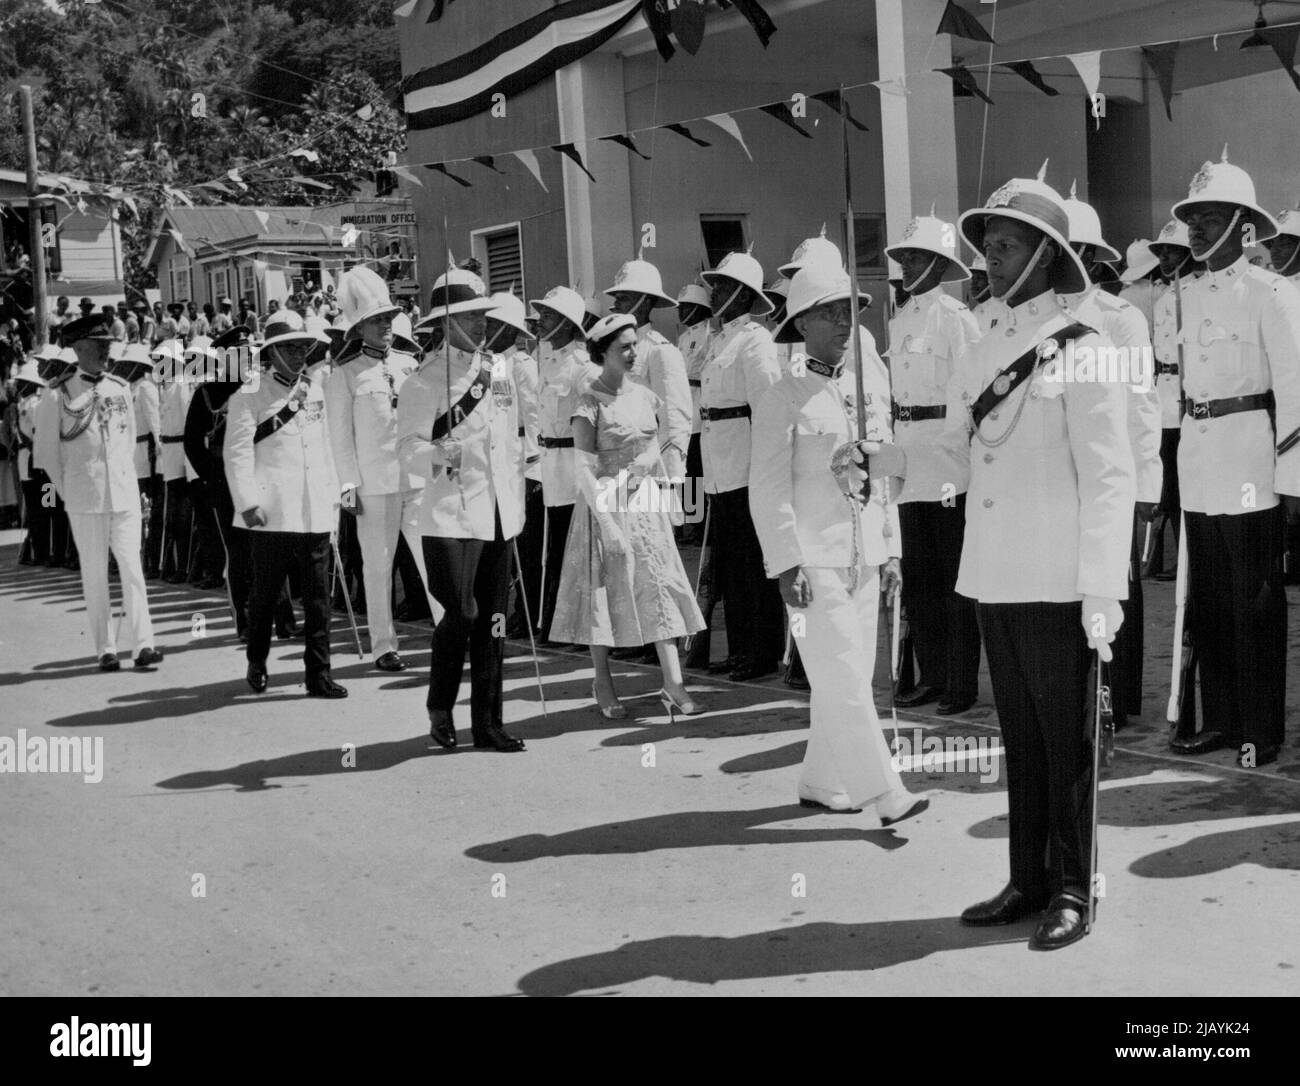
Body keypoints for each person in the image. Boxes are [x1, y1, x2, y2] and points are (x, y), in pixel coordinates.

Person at [865, 173, 1134, 949]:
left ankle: (1078, 890)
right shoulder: (982, 345)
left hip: (1057, 577)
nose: (988, 256)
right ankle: (1028, 879)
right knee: (1020, 736)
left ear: (1046, 256)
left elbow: (1110, 475)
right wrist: (883, 461)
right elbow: (951, 456)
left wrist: (1101, 590)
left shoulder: (1089, 345)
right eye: (986, 243)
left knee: (1068, 743)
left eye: (1007, 243)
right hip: (994, 570)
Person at [751, 261, 927, 824]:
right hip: (813, 559)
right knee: (844, 674)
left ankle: (824, 781)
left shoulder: (869, 389)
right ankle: (883, 792)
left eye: (850, 311)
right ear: (801, 323)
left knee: (843, 675)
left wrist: (891, 545)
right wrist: (784, 562)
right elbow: (768, 489)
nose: (843, 323)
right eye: (829, 313)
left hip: (865, 554)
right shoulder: (781, 399)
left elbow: (885, 476)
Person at [1169, 152, 1300, 767]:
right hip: (1199, 461)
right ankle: (1221, 721)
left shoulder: (1271, 293)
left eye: (1209, 216)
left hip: (1251, 460)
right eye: (1192, 217)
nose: (1194, 228)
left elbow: (1297, 387)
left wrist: (1293, 481)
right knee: (1211, 602)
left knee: (1254, 602)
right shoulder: (1184, 295)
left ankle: (1260, 731)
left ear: (1244, 228)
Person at [550, 313, 706, 719]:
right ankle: (602, 679)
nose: (633, 353)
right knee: (603, 594)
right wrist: (606, 525)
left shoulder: (642, 395)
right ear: (603, 353)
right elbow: (583, 468)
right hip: (605, 507)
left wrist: (648, 466)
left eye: (635, 344)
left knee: (659, 585)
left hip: (645, 504)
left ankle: (673, 684)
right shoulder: (588, 403)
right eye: (624, 347)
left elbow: (658, 440)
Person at [398, 268, 529, 752]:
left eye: (482, 316)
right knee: (462, 612)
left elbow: (511, 442)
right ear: (447, 321)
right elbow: (406, 448)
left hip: (496, 511)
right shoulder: (423, 381)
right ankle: (440, 702)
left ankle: (489, 723)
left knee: (494, 619)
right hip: (449, 513)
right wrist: (436, 451)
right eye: (471, 317)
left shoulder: (501, 370)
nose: (480, 325)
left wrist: (515, 501)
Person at [884, 210, 982, 716]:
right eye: (901, 257)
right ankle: (931, 674)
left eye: (915, 257)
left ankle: (960, 684)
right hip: (909, 458)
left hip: (947, 461)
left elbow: (971, 393)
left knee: (952, 578)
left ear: (941, 266)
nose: (904, 265)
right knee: (919, 576)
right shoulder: (900, 320)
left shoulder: (956, 319)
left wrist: (960, 451)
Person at [223, 309, 346, 698]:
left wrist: (335, 499)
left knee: (317, 601)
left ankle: (318, 675)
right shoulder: (248, 395)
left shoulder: (315, 388)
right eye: (288, 348)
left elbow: (326, 447)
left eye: (302, 347)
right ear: (271, 352)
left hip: (313, 509)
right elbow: (237, 453)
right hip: (271, 512)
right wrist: (246, 502)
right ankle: (257, 659)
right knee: (265, 597)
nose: (297, 355)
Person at [32, 313, 164, 671]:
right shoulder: (58, 393)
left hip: (123, 492)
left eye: (108, 344)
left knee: (132, 569)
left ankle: (143, 644)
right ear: (77, 348)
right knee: (94, 573)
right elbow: (47, 455)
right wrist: (72, 491)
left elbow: (128, 445)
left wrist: (134, 487)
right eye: (98, 345)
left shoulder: (119, 387)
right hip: (84, 497)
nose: (106, 351)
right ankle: (106, 648)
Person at [326, 266, 436, 672]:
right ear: (360, 328)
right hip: (373, 484)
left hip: (416, 477)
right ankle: (384, 645)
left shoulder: (411, 365)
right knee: (378, 565)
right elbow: (340, 438)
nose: (386, 325)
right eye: (377, 320)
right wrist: (347, 487)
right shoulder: (346, 375)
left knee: (432, 559)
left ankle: (449, 634)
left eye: (389, 318)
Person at [697, 251, 785, 680]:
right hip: (720, 466)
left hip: (748, 466)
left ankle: (762, 651)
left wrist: (765, 471)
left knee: (753, 564)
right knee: (731, 565)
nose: (713, 293)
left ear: (742, 295)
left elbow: (768, 409)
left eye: (721, 286)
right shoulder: (719, 340)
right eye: (714, 285)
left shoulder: (755, 341)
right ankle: (738, 648)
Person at [529, 285, 600, 646]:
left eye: (550, 316)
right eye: (542, 314)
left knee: (577, 551)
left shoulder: (582, 369)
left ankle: (579, 627)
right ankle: (558, 624)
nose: (541, 322)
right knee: (555, 549)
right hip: (551, 465)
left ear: (570, 325)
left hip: (575, 467)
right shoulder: (549, 361)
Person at [482, 292, 543, 639]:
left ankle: (527, 613)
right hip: (500, 466)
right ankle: (502, 622)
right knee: (501, 552)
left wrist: (532, 468)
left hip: (525, 465)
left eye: (494, 324)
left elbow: (533, 418)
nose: (488, 329)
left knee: (525, 552)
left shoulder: (521, 365)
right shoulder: (490, 363)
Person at [1146, 218, 1204, 580]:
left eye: (1172, 251)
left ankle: (1188, 559)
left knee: (1184, 482)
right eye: (1162, 252)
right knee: (1166, 480)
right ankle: (1170, 557)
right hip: (1162, 393)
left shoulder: (1196, 292)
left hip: (1186, 394)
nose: (1165, 258)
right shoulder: (1163, 295)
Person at [110, 342, 161, 578]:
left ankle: (146, 559)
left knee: (143, 508)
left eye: (129, 364)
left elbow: (154, 422)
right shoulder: (130, 389)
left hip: (143, 454)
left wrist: (158, 449)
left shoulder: (147, 389)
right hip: (129, 453)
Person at [12, 358, 49, 565]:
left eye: (21, 382)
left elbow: (38, 437)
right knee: (34, 509)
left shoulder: (34, 405)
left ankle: (44, 551)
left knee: (45, 508)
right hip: (26, 464)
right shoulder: (23, 404)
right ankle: (35, 548)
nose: (17, 386)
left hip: (38, 467)